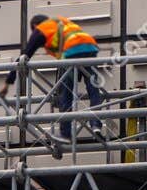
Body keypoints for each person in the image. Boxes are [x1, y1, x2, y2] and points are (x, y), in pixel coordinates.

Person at [20, 12, 105, 148]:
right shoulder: (64, 24)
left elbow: (58, 56)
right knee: (93, 90)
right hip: (90, 47)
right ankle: (96, 126)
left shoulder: (47, 30)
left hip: (72, 52)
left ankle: (65, 133)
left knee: (66, 93)